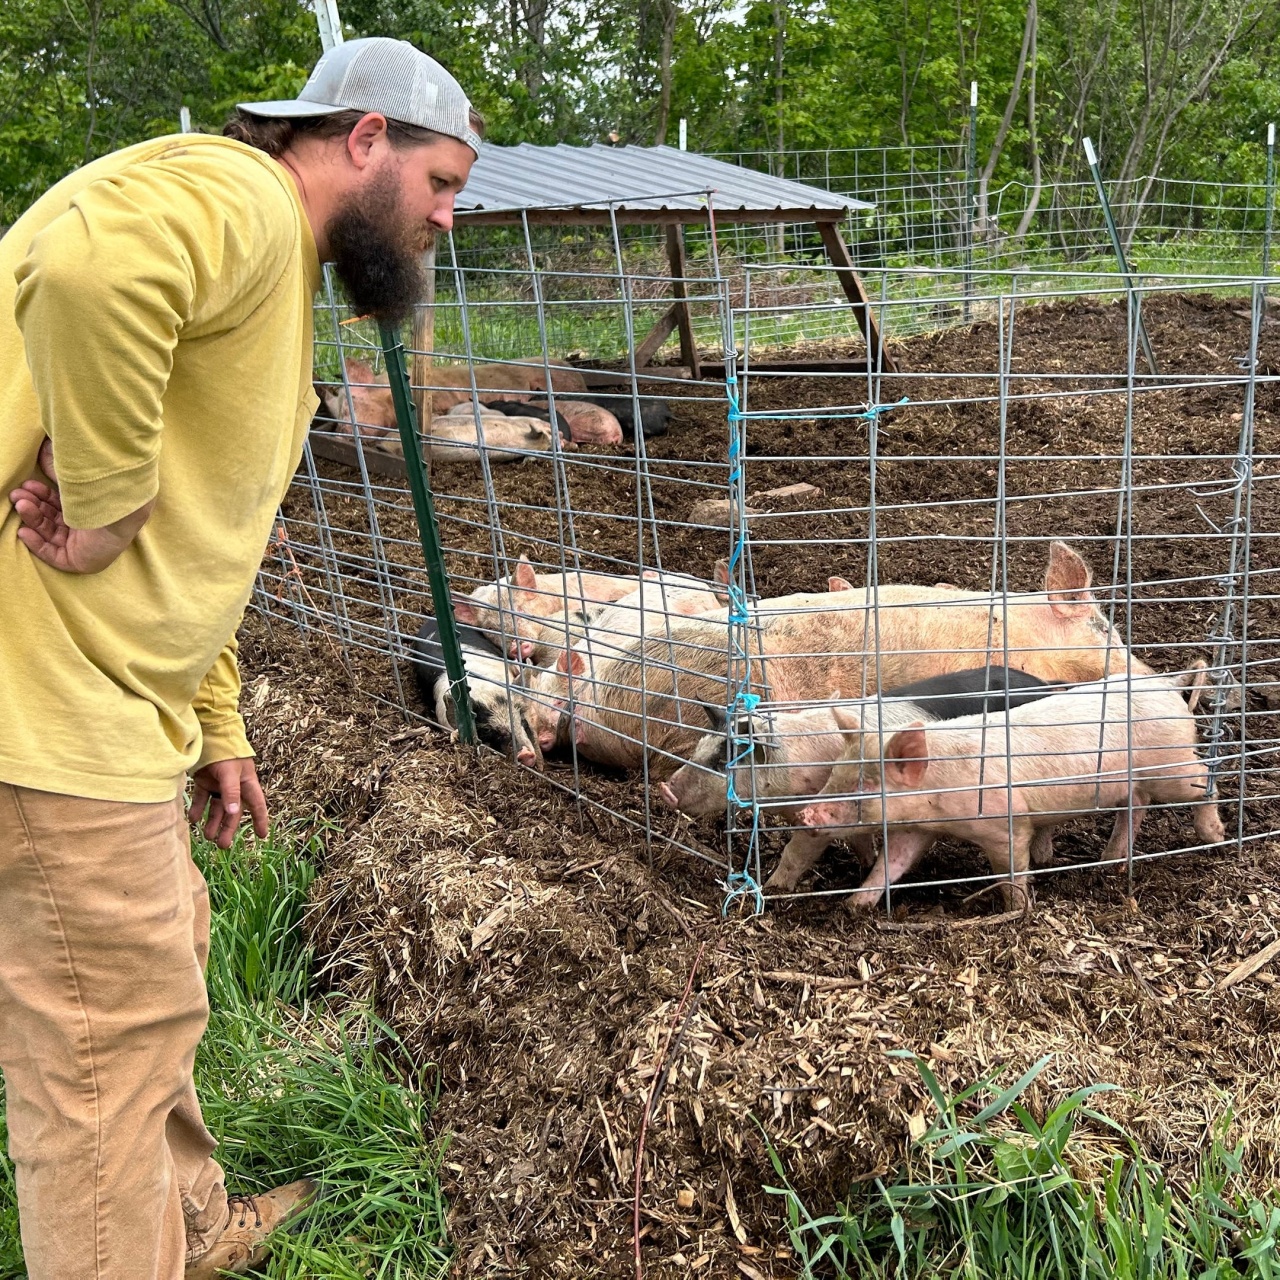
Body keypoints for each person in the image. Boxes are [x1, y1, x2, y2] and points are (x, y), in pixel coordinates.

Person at [0, 36, 480, 1279]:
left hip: (109, 695)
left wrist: (216, 721)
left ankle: (189, 1226)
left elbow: (208, 523)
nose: (443, 216)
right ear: (362, 140)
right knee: (100, 1050)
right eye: (441, 182)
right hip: (45, 705)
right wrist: (103, 507)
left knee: (155, 986)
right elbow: (92, 268)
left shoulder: (271, 260)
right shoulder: (241, 200)